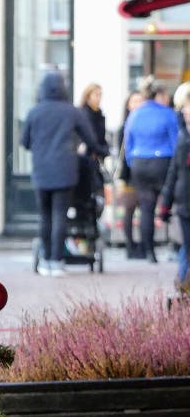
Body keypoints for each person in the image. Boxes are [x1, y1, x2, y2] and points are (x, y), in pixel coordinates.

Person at [21, 72, 107, 277]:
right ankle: (56, 261)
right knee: (60, 216)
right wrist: (99, 150)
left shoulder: (35, 112)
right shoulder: (71, 112)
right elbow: (91, 139)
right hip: (65, 170)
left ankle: (45, 261)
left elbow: (24, 142)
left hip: (41, 170)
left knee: (44, 216)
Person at [124, 82, 180, 263]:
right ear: (159, 96)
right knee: (174, 203)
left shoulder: (135, 114)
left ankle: (149, 252)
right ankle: (176, 245)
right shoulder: (167, 114)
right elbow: (175, 142)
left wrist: (132, 162)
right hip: (163, 161)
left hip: (140, 162)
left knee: (146, 209)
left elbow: (128, 143)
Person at [160, 103, 190, 291]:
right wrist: (166, 204)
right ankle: (182, 285)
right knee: (187, 246)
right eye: (186, 114)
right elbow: (173, 172)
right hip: (185, 202)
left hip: (184, 200)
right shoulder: (182, 140)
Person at [117, 90, 145, 258]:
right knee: (129, 209)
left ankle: (143, 244)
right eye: (134, 101)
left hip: (144, 174)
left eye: (140, 101)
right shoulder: (125, 126)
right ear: (128, 105)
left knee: (145, 210)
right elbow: (123, 152)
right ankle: (130, 244)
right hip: (129, 174)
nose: (137, 104)